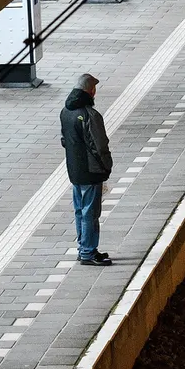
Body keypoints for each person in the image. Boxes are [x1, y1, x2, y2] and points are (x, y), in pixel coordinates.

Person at [61, 73, 113, 266]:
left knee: (80, 211)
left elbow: (64, 140)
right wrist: (106, 165)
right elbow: (99, 145)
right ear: (91, 91)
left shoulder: (65, 112)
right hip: (91, 171)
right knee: (90, 213)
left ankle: (83, 248)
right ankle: (88, 252)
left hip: (74, 170)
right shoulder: (90, 115)